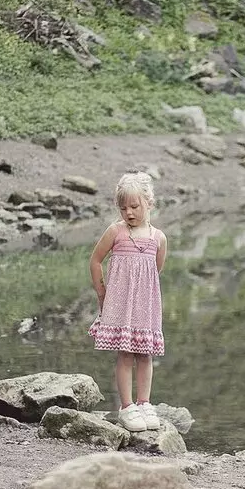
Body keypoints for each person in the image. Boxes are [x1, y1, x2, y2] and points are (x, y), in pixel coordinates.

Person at [88, 172, 167, 433]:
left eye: (134, 207)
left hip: (146, 305)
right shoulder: (116, 232)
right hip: (120, 303)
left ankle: (145, 402)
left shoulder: (158, 238)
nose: (129, 213)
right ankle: (127, 406)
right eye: (123, 208)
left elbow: (155, 270)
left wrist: (143, 293)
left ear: (149, 203)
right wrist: (102, 293)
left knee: (145, 354)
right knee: (125, 353)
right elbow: (96, 260)